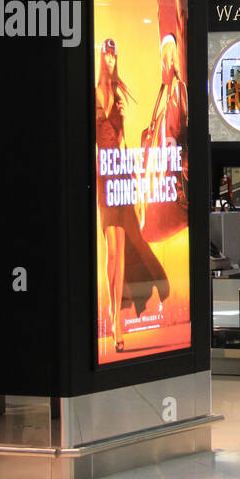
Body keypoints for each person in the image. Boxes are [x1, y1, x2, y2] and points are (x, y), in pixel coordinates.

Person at [95, 40, 169, 353]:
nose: (111, 61)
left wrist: (136, 185)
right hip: (103, 176)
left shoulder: (118, 98)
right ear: (101, 59)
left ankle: (117, 321)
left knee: (122, 248)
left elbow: (124, 142)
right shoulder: (93, 95)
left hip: (121, 174)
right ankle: (114, 317)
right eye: (107, 56)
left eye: (114, 56)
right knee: (111, 250)